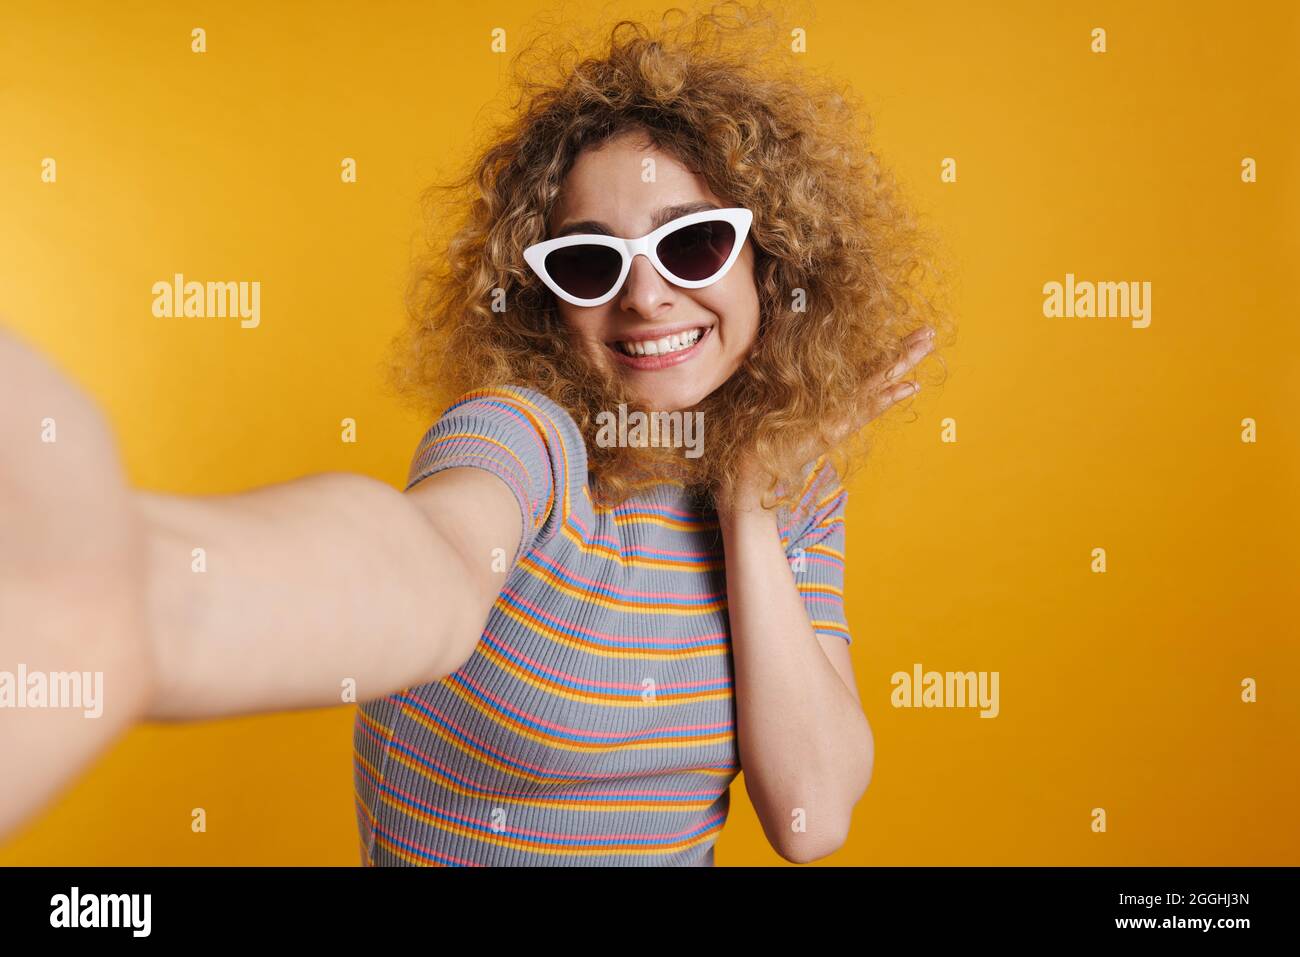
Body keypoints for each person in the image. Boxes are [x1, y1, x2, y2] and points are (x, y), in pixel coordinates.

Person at [0, 4, 944, 864]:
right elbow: (427, 565)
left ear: (769, 255)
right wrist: (142, 597)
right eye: (589, 261)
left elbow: (812, 817)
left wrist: (750, 507)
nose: (646, 294)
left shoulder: (793, 488)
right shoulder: (525, 436)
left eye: (692, 241)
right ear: (546, 300)